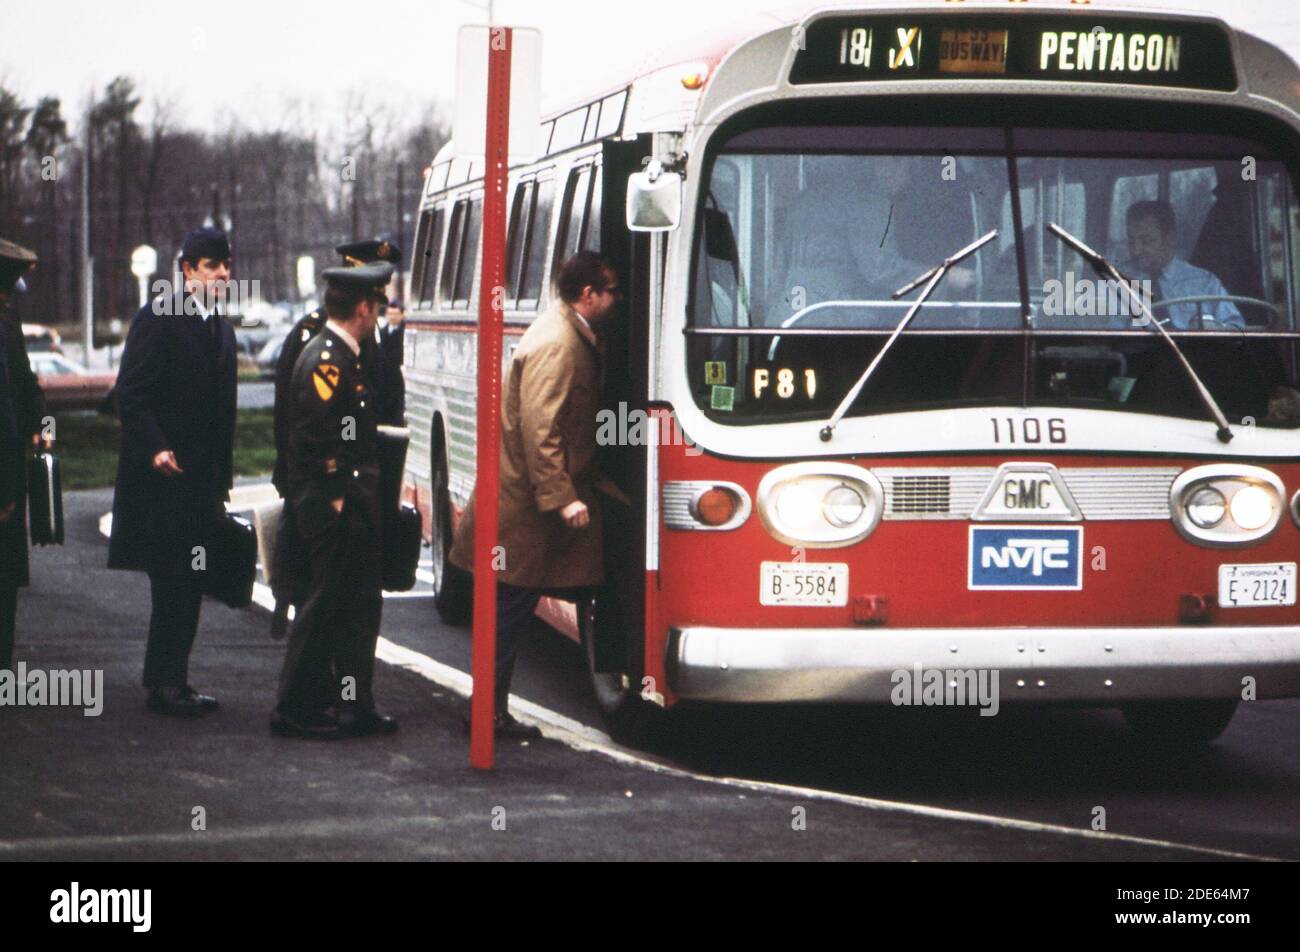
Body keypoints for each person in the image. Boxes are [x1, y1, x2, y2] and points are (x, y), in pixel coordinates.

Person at [448, 251, 623, 738]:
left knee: (510, 611)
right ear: (588, 295)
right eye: (612, 291)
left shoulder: (566, 332)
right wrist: (561, 497)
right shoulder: (560, 343)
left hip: (525, 507)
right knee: (507, 613)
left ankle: (490, 712)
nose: (618, 300)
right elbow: (540, 427)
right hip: (524, 512)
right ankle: (487, 715)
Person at [108, 226, 238, 716]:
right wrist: (156, 448)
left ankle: (173, 678)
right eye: (211, 266)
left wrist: (222, 480)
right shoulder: (160, 317)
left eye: (226, 265)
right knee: (172, 582)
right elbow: (131, 393)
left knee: (191, 582)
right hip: (164, 484)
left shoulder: (219, 326)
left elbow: (220, 413)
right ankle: (164, 683)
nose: (223, 273)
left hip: (202, 485)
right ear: (187, 271)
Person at [273, 262, 398, 739]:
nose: (379, 314)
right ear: (363, 308)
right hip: (334, 508)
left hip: (353, 505)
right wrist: (336, 500)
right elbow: (314, 440)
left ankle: (354, 703)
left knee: (359, 609)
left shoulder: (346, 355)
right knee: (324, 607)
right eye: (377, 304)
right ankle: (293, 708)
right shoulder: (327, 359)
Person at [0, 239, 48, 672]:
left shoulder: (6, 322)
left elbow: (25, 383)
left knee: (6, 584)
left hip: (9, 475)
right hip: (3, 482)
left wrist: (41, 426)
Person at [1125, 200, 1244, 330]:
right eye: (1131, 241)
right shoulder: (1116, 281)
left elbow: (1236, 329)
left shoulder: (1204, 283)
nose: (1136, 250)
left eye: (1147, 241)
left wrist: (1215, 329)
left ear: (1170, 239)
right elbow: (1106, 333)